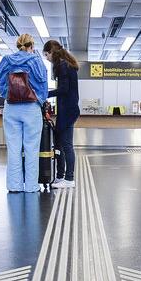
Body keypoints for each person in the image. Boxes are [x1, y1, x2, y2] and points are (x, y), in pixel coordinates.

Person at [0, 33, 47, 192]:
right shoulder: (36, 61)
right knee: (31, 148)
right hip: (31, 108)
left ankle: (14, 186)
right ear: (31, 46)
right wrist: (40, 100)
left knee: (13, 148)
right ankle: (31, 186)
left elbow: (0, 80)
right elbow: (43, 84)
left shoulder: (7, 60)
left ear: (18, 45)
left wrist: (7, 95)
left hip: (11, 108)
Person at [43, 39, 79, 188]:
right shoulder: (65, 64)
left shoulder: (63, 66)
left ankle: (69, 179)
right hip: (66, 110)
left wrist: (45, 93)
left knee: (66, 145)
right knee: (59, 143)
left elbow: (64, 89)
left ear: (51, 52)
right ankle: (60, 176)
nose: (47, 58)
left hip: (68, 111)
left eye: (46, 55)